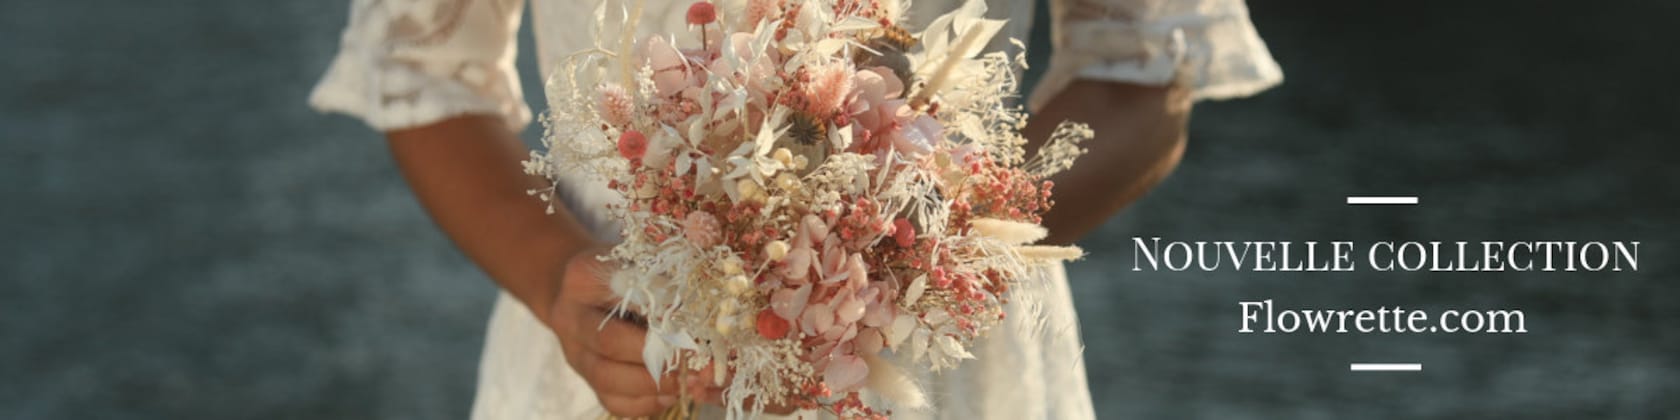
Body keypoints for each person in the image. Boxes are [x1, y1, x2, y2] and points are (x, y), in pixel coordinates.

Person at [310, 0, 1280, 418]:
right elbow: (425, 75)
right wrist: (556, 280)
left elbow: (1144, 71)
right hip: (613, 354)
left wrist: (927, 248)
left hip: (944, 361)